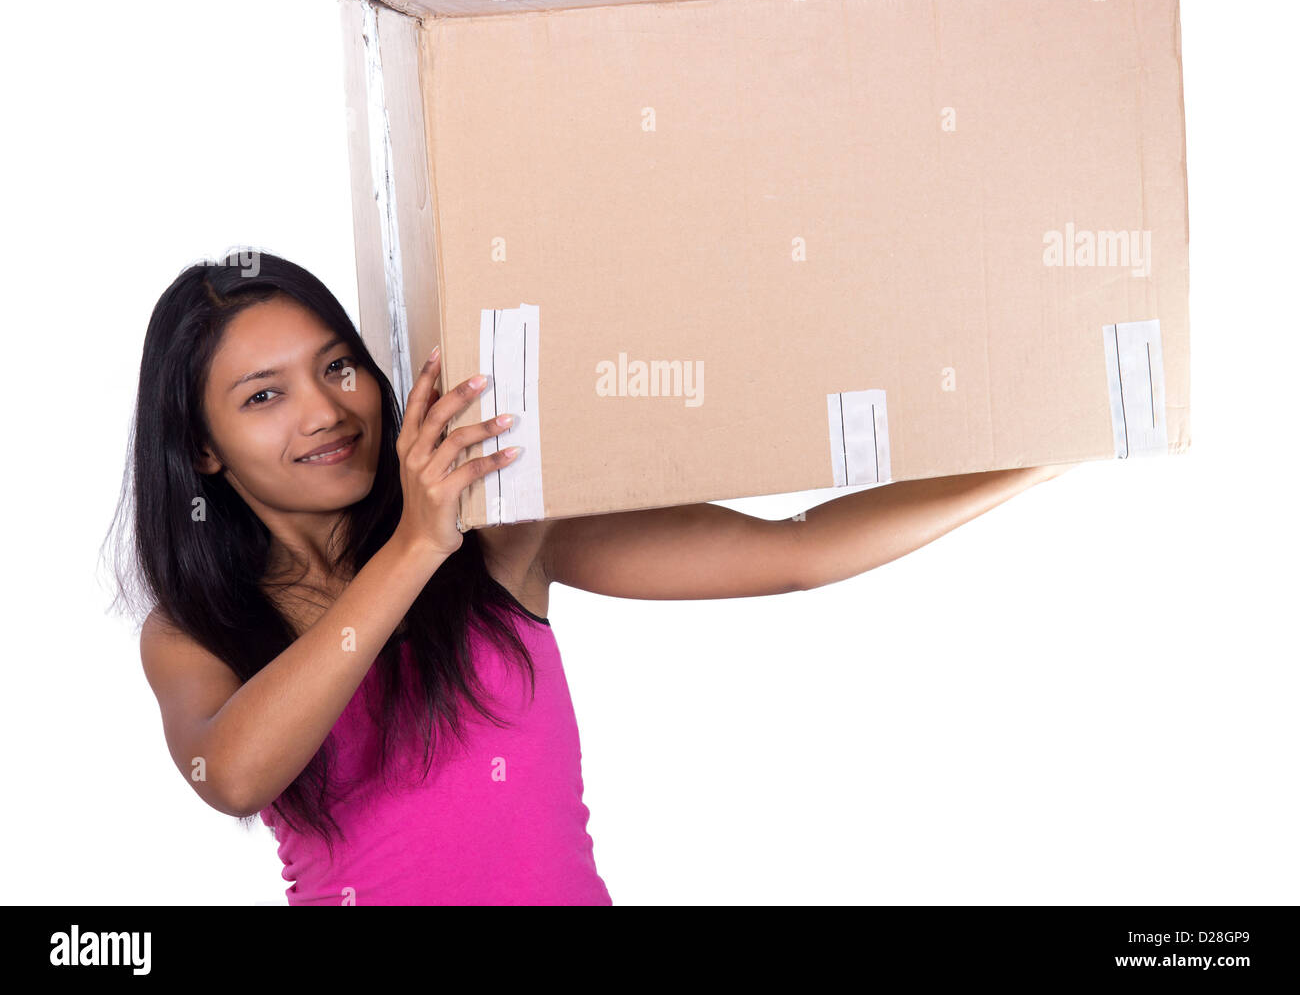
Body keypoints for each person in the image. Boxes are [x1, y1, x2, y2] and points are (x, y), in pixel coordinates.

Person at [103, 250, 1073, 905]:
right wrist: (416, 545)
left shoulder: (501, 531)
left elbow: (798, 548)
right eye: (264, 397)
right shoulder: (193, 631)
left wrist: (1051, 451)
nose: (324, 412)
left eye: (339, 366)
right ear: (203, 449)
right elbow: (228, 774)